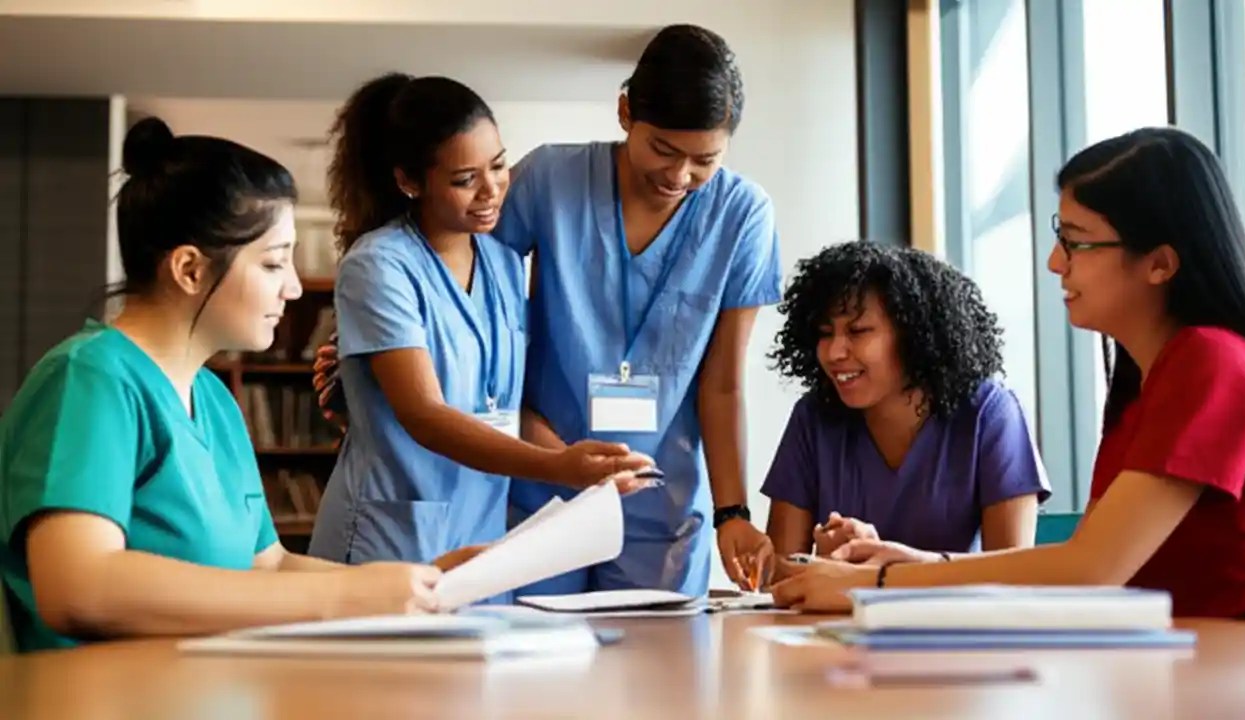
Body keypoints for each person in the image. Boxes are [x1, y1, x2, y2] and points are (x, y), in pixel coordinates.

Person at [313, 24, 782, 594]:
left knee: (654, 647)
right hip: (525, 490)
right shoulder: (544, 184)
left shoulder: (740, 215)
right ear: (625, 112)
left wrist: (734, 511)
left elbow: (723, 381)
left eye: (704, 160)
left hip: (653, 493)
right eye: (663, 149)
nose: (680, 176)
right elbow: (439, 303)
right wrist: (364, 365)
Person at [770, 127, 1245, 622]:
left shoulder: (1212, 362)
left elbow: (1091, 570)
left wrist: (878, 583)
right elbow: (1087, 566)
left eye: (1076, 243)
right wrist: (915, 565)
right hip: (1183, 656)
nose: (1055, 262)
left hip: (1242, 661)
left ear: (1160, 264)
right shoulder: (1143, 384)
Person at [0, 118, 463, 653]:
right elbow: (78, 586)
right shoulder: (91, 378)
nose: (293, 288)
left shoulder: (215, 400)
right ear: (190, 269)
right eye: (273, 263)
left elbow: (267, 564)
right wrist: (344, 597)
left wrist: (420, 585)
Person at [306, 75, 653, 576]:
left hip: (482, 533)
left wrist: (586, 468)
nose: (491, 190)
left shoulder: (505, 264)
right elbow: (424, 414)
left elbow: (503, 408)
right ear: (410, 182)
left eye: (498, 165)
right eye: (465, 179)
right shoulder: (378, 265)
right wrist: (556, 467)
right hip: (391, 537)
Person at [762, 241, 1050, 563]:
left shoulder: (989, 413)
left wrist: (880, 568)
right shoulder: (814, 417)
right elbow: (781, 573)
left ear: (914, 335)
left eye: (858, 331)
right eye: (825, 333)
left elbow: (1010, 571)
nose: (833, 352)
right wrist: (828, 563)